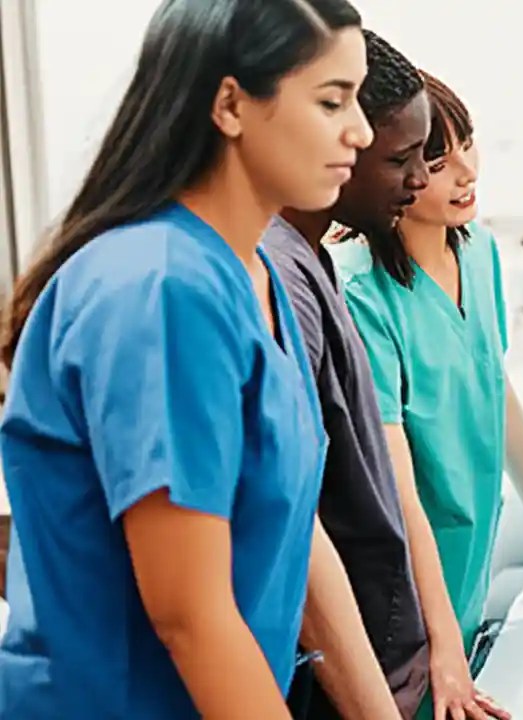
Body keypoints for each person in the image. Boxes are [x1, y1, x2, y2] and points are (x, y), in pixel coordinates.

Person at [0, 1, 369, 717]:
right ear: (230, 103)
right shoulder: (162, 286)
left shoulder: (251, 270)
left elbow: (295, 528)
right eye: (332, 101)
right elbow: (190, 619)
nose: (358, 130)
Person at [335, 71, 523, 715]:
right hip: (405, 577)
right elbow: (397, 487)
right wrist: (441, 648)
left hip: (468, 554)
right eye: (435, 160)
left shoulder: (478, 251)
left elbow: (495, 388)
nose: (465, 173)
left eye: (467, 146)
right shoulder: (359, 291)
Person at [263, 29, 432, 720]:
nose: (419, 181)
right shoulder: (277, 282)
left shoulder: (308, 260)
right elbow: (297, 536)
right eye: (401, 158)